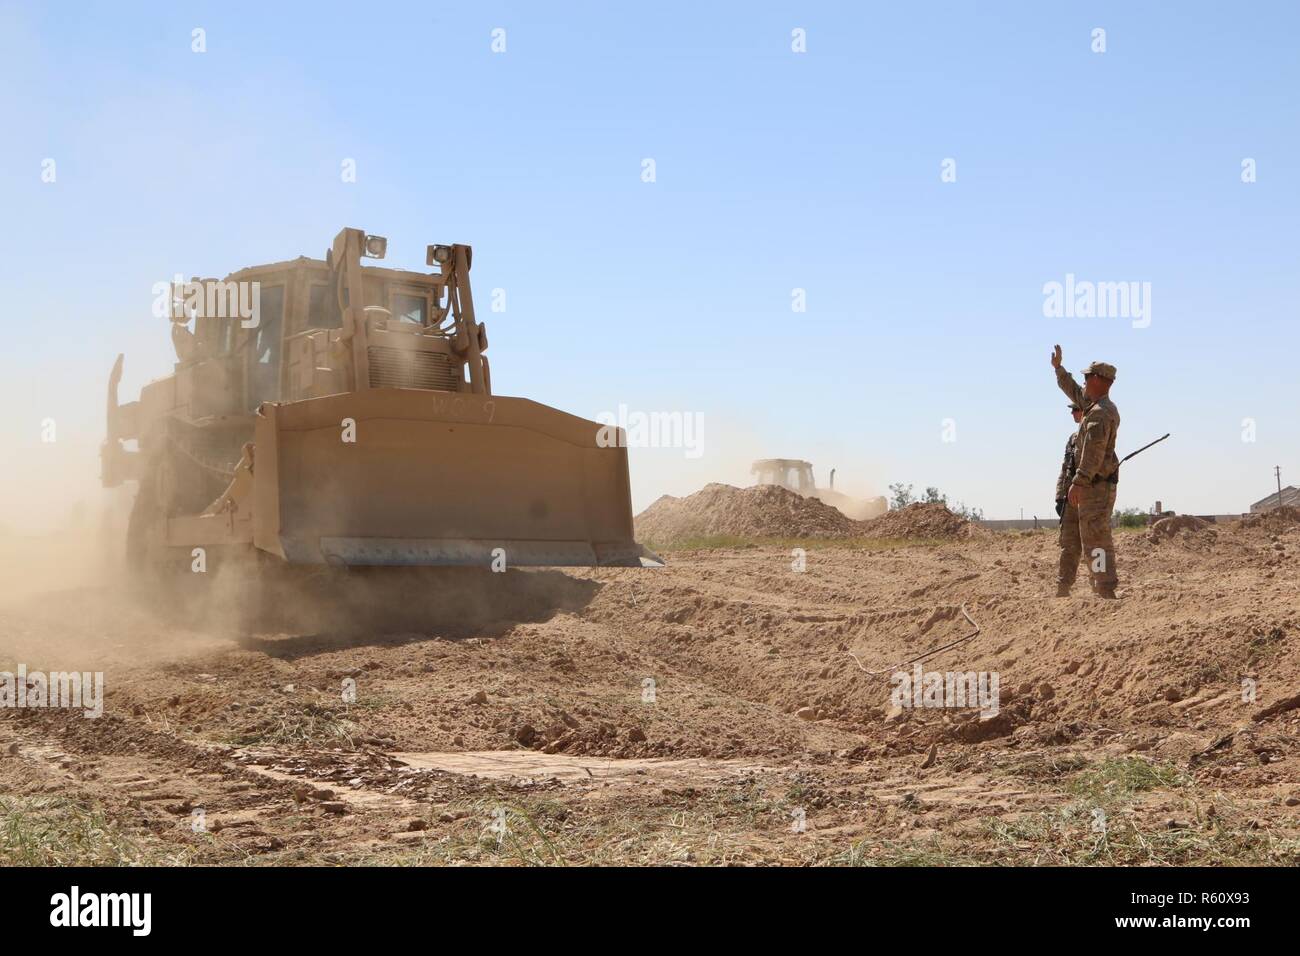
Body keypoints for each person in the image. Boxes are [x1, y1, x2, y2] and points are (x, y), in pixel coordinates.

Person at [1050, 345, 1120, 598]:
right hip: (1085, 486)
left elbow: (1093, 453)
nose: (1084, 382)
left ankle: (1104, 590)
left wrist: (1078, 482)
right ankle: (1064, 589)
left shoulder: (1101, 414)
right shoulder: (1092, 407)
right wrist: (1058, 369)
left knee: (1096, 540)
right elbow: (1072, 390)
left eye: (1088, 377)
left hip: (1095, 486)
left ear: (1100, 381)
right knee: (1071, 541)